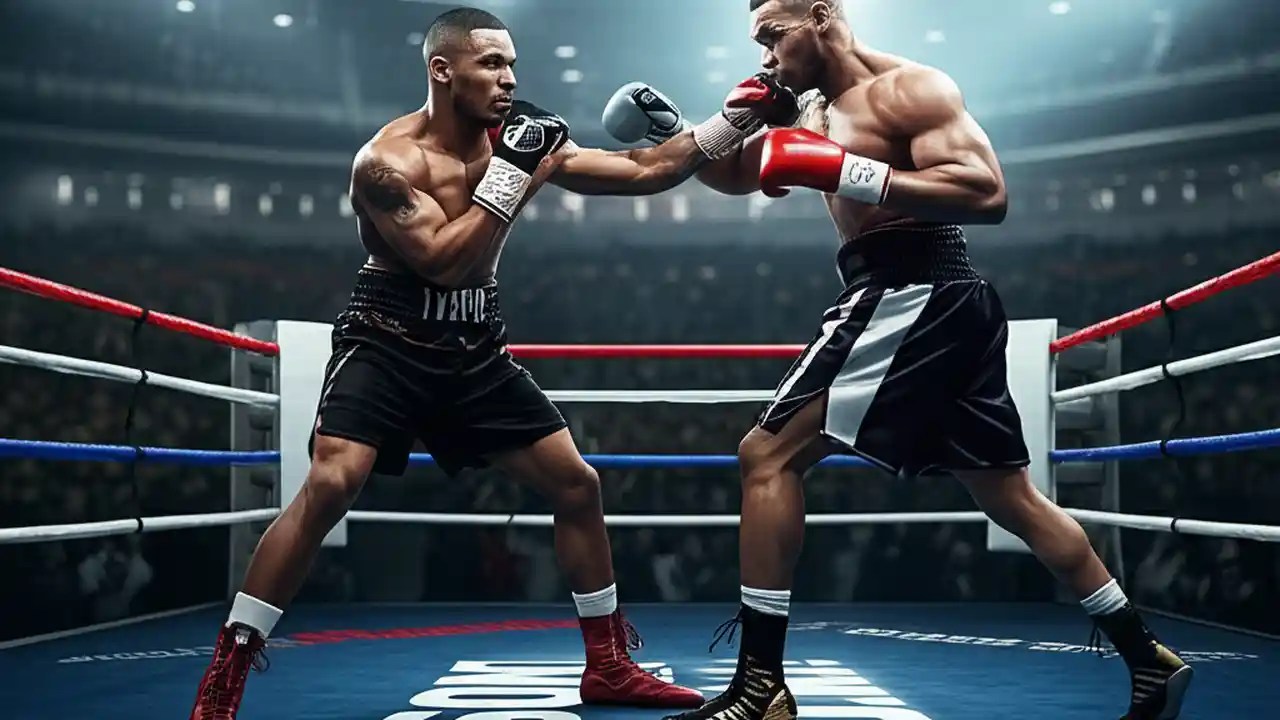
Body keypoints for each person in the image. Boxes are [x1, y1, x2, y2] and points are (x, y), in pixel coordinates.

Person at [604, 1, 1192, 719]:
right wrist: (687, 129)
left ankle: (761, 687)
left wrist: (852, 173)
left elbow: (988, 193)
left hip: (916, 286)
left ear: (820, 17)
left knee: (767, 456)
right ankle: (1148, 659)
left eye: (773, 35)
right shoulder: (805, 106)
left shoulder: (910, 89)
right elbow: (740, 176)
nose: (764, 55)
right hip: (923, 297)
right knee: (1010, 497)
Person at [186, 7, 774, 719]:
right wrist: (512, 172)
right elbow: (440, 263)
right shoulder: (386, 163)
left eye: (512, 65)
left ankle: (609, 666)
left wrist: (737, 116)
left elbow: (646, 170)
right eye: (491, 65)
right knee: (333, 482)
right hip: (387, 340)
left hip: (474, 348)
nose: (509, 79)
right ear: (443, 70)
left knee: (576, 484)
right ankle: (229, 669)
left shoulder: (518, 136)